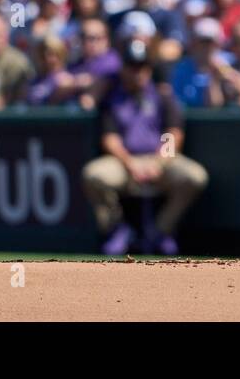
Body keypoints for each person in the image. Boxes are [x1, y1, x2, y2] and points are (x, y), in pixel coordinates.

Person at [82, 38, 209, 255]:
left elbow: (174, 133)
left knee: (194, 176)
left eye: (142, 66)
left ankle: (161, 231)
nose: (137, 72)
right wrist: (129, 163)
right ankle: (117, 229)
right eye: (132, 66)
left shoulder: (162, 95)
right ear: (123, 68)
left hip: (160, 160)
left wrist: (159, 162)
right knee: (94, 175)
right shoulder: (113, 96)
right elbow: (110, 138)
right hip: (125, 162)